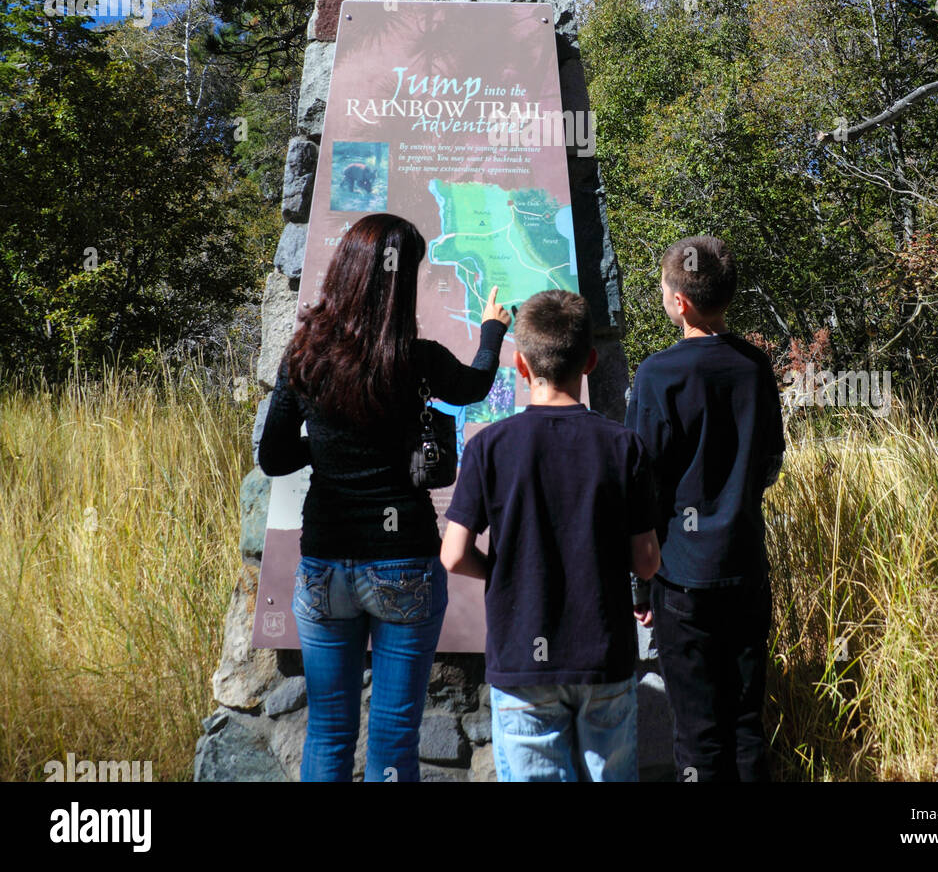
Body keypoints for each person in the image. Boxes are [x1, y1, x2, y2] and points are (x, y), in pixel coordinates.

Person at [258, 212, 510, 782]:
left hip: (325, 565)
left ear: (346, 270)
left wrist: (324, 449)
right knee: (394, 734)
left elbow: (273, 456)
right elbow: (474, 384)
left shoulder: (305, 353)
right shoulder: (416, 359)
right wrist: (491, 328)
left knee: (327, 731)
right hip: (404, 568)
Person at [441, 289, 660, 782]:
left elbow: (453, 555)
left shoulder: (489, 448)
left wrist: (500, 572)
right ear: (591, 361)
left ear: (520, 364)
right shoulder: (624, 447)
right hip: (603, 655)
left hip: (523, 661)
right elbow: (646, 560)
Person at [625, 235, 785, 783]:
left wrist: (641, 585)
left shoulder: (658, 375)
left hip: (683, 576)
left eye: (666, 289)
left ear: (681, 302)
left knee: (697, 736)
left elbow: (639, 487)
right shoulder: (756, 368)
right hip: (745, 568)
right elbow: (770, 464)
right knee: (746, 725)